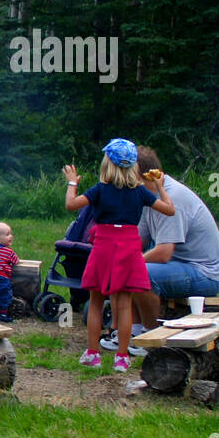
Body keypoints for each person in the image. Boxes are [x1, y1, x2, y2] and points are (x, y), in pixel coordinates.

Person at [102, 145, 219, 352]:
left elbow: (163, 253)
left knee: (140, 272)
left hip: (204, 273)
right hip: (178, 266)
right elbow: (137, 239)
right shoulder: (144, 197)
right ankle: (132, 331)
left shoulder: (171, 198)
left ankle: (152, 337)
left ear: (141, 175)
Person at [63, 139, 174, 372]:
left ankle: (92, 354)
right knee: (124, 305)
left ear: (108, 164)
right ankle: (122, 357)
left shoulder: (100, 190)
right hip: (129, 247)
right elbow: (169, 210)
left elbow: (71, 204)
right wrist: (161, 186)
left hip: (104, 245)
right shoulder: (140, 192)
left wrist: (72, 182)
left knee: (95, 302)